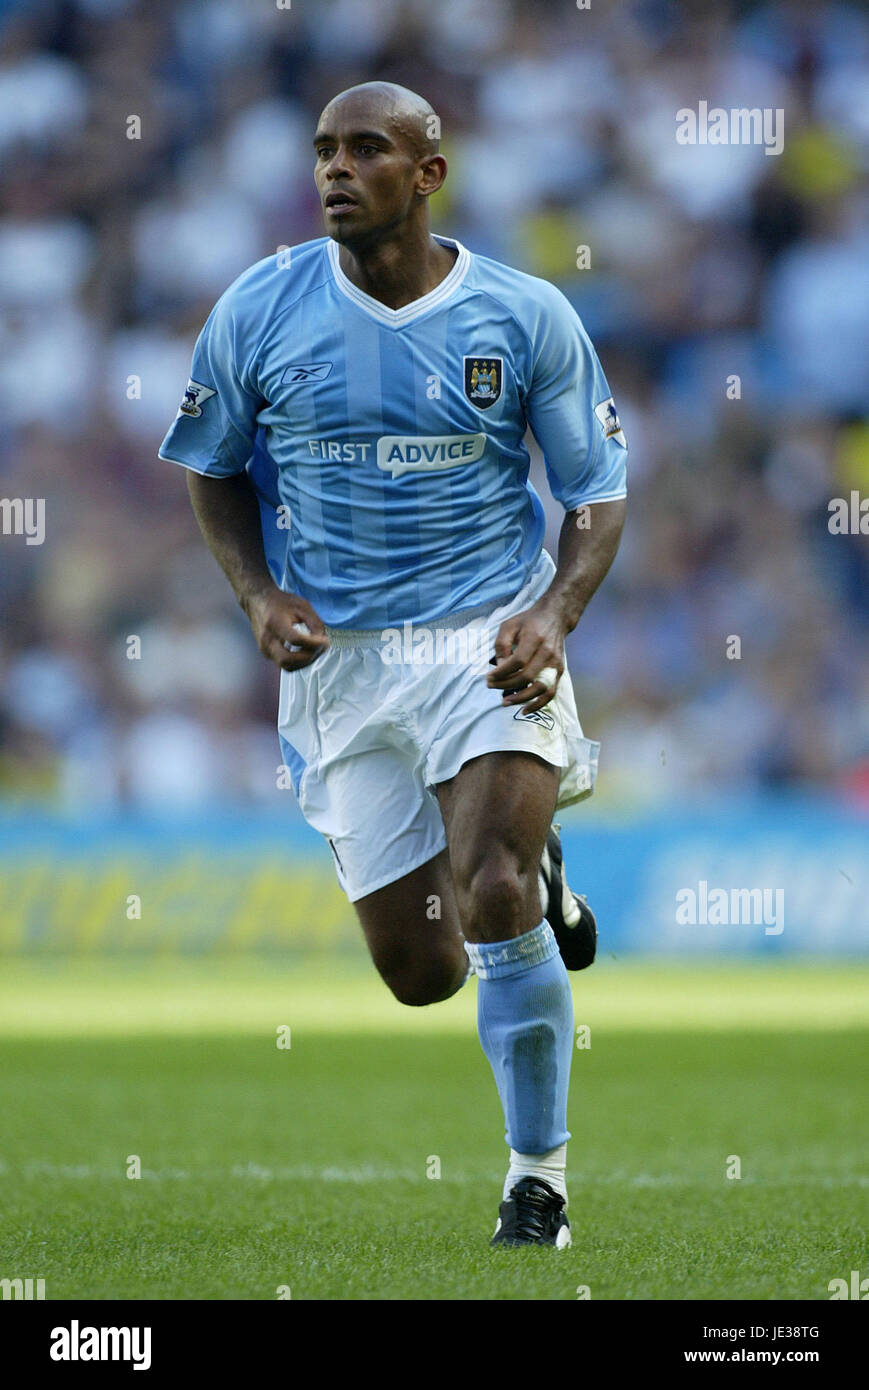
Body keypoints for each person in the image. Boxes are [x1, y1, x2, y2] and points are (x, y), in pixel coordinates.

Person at [158, 82, 627, 1248]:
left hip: (486, 641)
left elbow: (596, 492)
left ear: (427, 174)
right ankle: (546, 878)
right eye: (322, 149)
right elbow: (210, 466)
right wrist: (258, 594)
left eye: (365, 149)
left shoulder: (522, 317)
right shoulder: (258, 309)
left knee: (492, 894)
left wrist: (556, 615)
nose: (333, 169)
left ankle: (537, 1185)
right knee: (422, 970)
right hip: (343, 666)